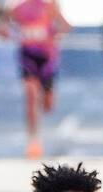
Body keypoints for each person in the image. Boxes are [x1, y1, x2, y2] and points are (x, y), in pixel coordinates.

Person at [6, 0, 68, 159]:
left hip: (47, 58)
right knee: (31, 97)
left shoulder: (49, 6)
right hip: (27, 56)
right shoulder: (17, 8)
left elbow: (65, 26)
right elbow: (4, 25)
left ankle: (48, 94)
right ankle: (33, 141)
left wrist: (53, 35)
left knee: (47, 105)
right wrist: (14, 33)